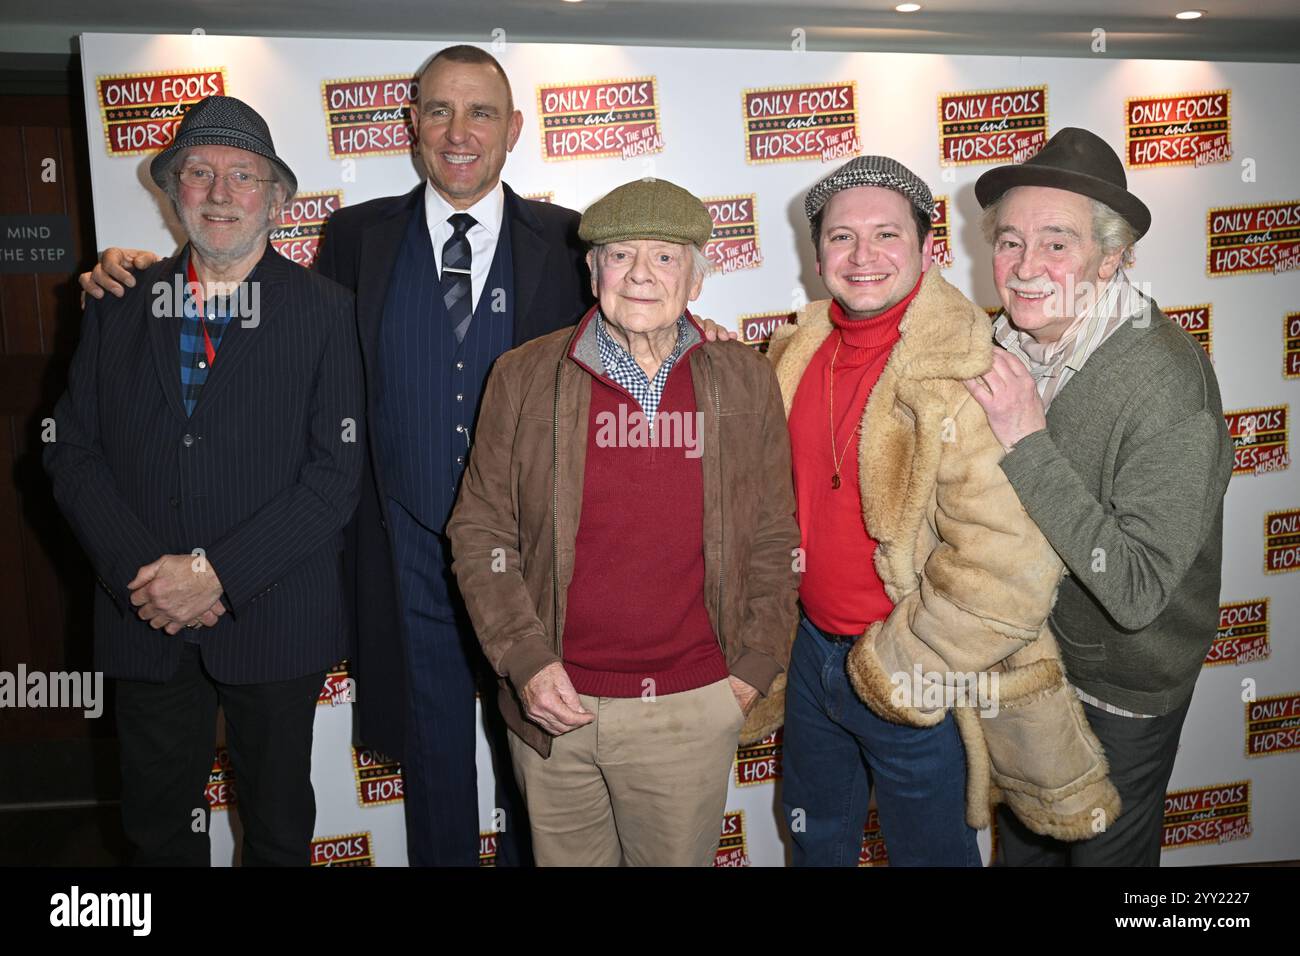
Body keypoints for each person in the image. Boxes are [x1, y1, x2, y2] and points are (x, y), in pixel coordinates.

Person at [80, 45, 592, 867]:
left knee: (542, 762)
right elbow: (256, 323)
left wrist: (694, 334)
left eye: (481, 112)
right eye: (437, 111)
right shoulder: (356, 238)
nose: (459, 132)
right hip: (406, 553)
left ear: (514, 130)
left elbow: (633, 333)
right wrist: (132, 274)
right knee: (431, 761)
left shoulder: (574, 243)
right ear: (413, 126)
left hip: (534, 559)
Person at [760, 155, 1117, 866]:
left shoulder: (971, 371)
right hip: (810, 660)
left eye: (887, 235)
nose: (863, 256)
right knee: (813, 845)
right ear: (818, 252)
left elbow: (1006, 568)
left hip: (911, 673)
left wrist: (901, 668)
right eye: (840, 237)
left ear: (929, 249)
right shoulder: (793, 354)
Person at [446, 178, 801, 866]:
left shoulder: (744, 378)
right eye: (620, 256)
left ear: (695, 279)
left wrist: (751, 670)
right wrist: (526, 661)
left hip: (693, 707)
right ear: (591, 270)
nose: (641, 274)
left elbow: (774, 535)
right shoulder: (521, 376)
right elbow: (480, 532)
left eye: (665, 257)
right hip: (553, 705)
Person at [46, 95, 363, 865]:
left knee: (281, 827)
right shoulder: (118, 306)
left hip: (274, 613)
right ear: (172, 191)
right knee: (157, 831)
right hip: (144, 616)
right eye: (198, 172)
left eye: (243, 176)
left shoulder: (328, 313)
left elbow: (336, 472)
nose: (220, 193)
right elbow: (69, 449)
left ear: (278, 201)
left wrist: (216, 574)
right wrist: (148, 580)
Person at [965, 127, 1234, 866]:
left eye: (1057, 243)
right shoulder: (1004, 341)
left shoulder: (1166, 381)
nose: (1024, 267)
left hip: (1120, 686)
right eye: (1010, 241)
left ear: (1112, 257)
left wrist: (1028, 442)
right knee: (1024, 854)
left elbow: (1140, 590)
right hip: (1030, 665)